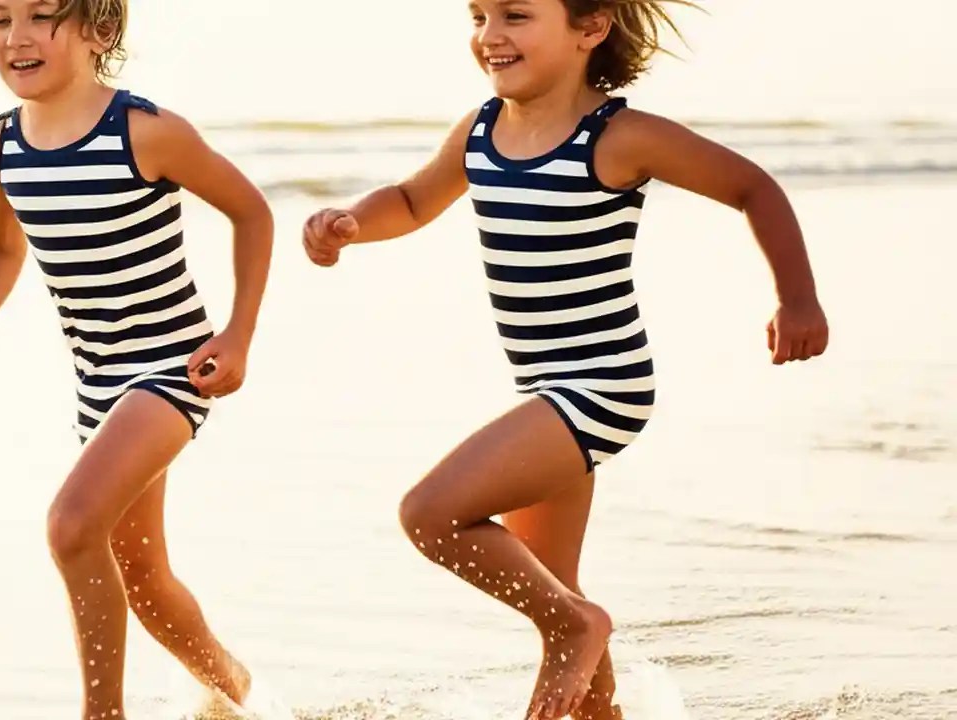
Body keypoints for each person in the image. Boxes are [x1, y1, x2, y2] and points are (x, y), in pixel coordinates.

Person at [300, 1, 829, 718]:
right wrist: (353, 224)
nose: (491, 35)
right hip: (543, 392)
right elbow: (413, 200)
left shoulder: (617, 136)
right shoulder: (481, 128)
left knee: (431, 515)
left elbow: (751, 187)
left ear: (591, 28)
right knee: (554, 588)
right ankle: (593, 691)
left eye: (516, 15)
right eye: (479, 14)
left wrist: (796, 298)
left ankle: (576, 626)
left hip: (601, 388)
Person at [0, 1, 274, 718]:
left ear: (99, 32)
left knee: (71, 524)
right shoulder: (2, 147)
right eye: (0, 18)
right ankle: (234, 690)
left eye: (43, 15)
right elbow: (1, 247)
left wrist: (237, 334)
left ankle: (100, 713)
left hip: (173, 369)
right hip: (96, 381)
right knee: (141, 573)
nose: (17, 36)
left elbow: (250, 212)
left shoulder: (145, 132)